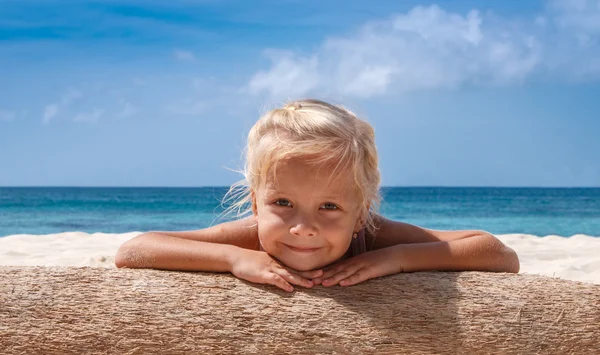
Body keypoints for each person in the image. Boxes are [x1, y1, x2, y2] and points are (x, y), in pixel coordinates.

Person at [115, 99, 519, 292]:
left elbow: (497, 253)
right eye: (283, 203)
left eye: (329, 207)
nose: (303, 227)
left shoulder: (372, 237)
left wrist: (395, 259)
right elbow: (135, 249)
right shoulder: (249, 237)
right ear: (256, 203)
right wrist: (234, 258)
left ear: (361, 214)